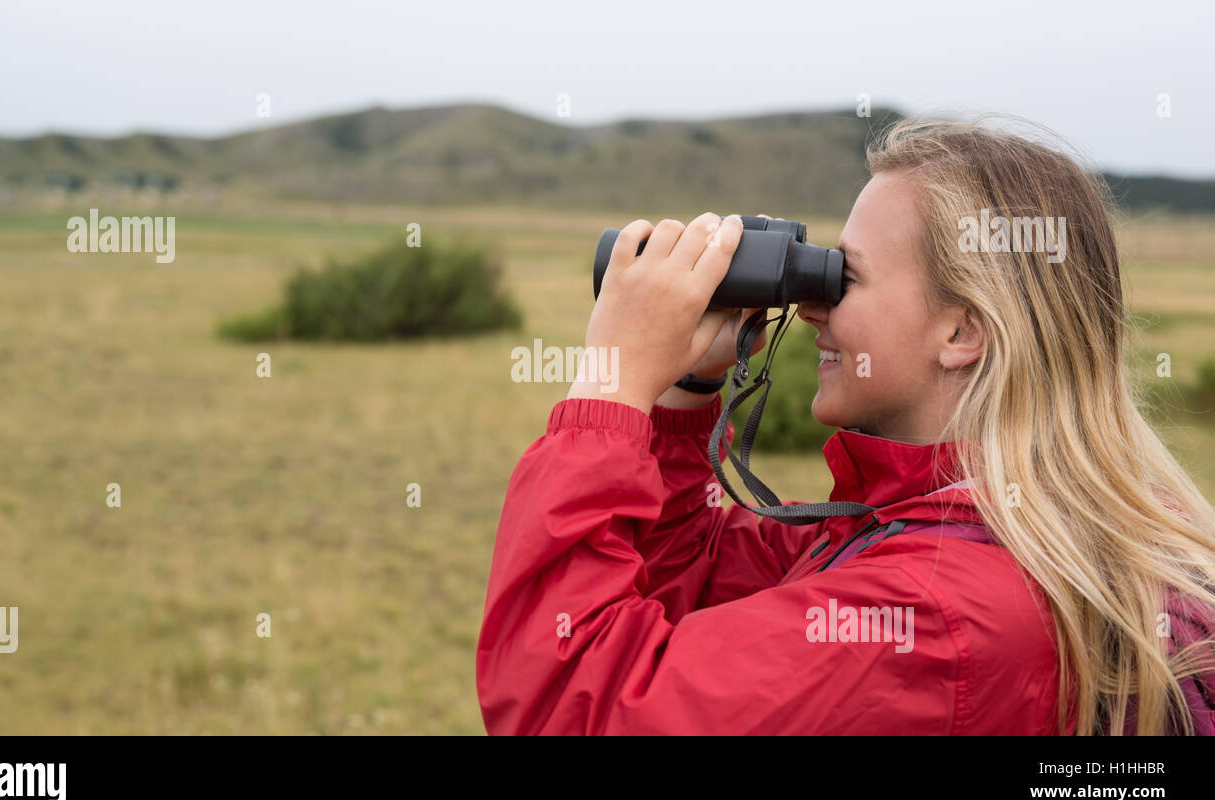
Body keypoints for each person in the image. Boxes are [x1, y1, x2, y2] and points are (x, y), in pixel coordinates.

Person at [475, 117, 1215, 735]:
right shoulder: (974, 525)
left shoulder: (931, 614)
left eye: (845, 277)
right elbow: (692, 583)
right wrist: (686, 391)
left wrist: (610, 385)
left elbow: (570, 705)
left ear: (962, 330)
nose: (810, 307)